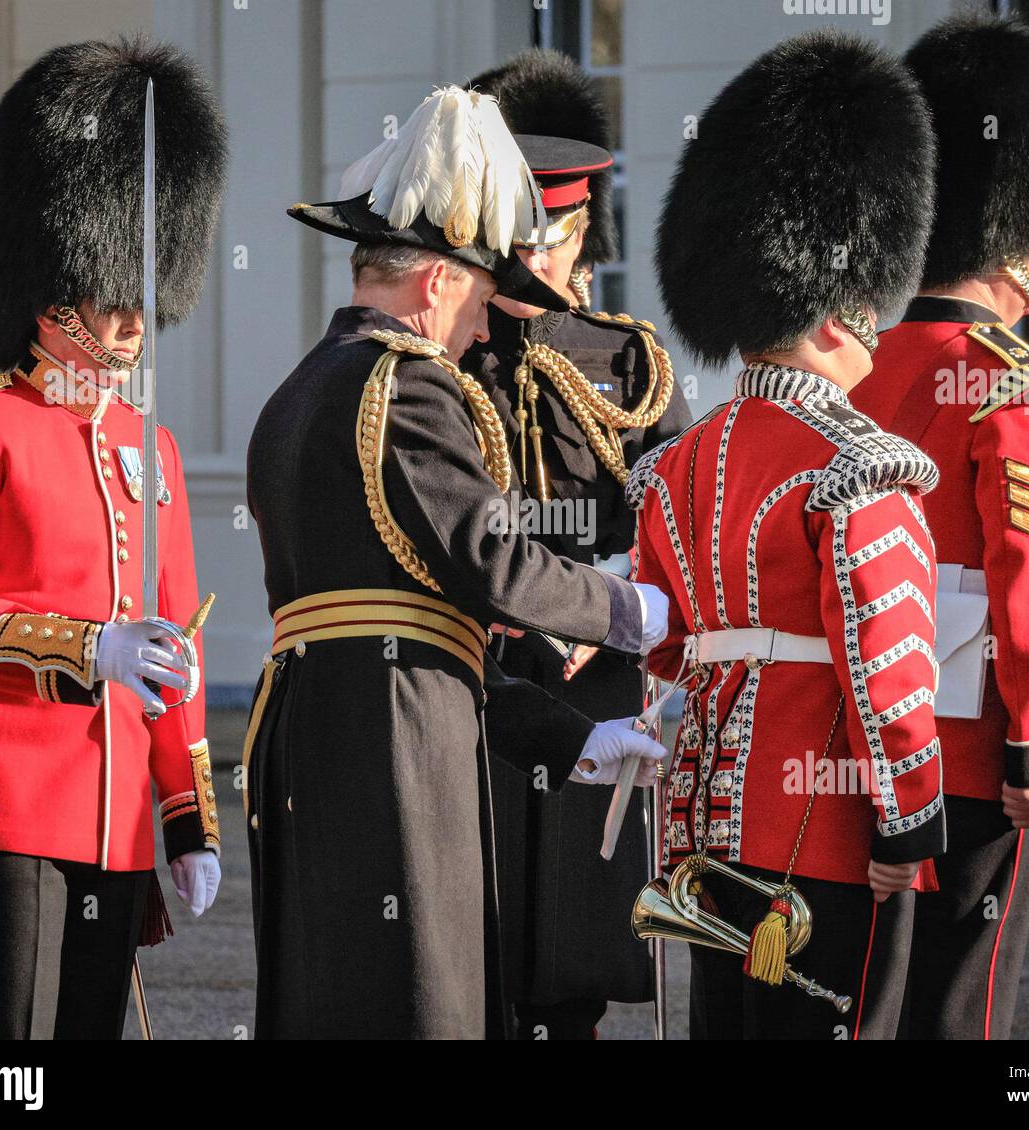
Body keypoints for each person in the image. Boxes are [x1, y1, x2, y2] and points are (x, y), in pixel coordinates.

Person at [245, 85, 670, 1039]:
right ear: (437, 282)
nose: (485, 327)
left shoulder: (297, 391)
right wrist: (632, 609)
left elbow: (422, 617)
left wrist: (569, 738)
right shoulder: (407, 387)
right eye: (480, 298)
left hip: (332, 722)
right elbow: (494, 562)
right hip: (395, 742)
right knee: (420, 998)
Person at [0, 38, 227, 1039]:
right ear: (50, 283)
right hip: (2, 806)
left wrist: (186, 814)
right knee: (0, 1054)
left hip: (118, 814)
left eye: (141, 293)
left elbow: (178, 642)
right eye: (110, 291)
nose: (132, 319)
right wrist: (88, 648)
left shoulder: (150, 447)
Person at [630, 30, 944, 1040]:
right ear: (840, 313)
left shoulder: (678, 462)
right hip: (829, 830)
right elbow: (887, 663)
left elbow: (667, 646)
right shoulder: (861, 458)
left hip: (707, 832)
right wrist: (908, 816)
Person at [851, 14, 1029, 1040]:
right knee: (961, 1004)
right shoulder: (1010, 387)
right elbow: (1028, 574)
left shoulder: (846, 370)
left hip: (850, 735)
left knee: (870, 990)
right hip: (972, 748)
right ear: (1023, 247)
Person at [463, 49, 694, 1040]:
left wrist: (608, 592)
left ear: (581, 224)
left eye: (548, 232)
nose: (530, 255)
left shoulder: (627, 360)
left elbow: (685, 527)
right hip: (473, 680)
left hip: (594, 681)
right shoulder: (440, 355)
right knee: (463, 956)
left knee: (572, 972)